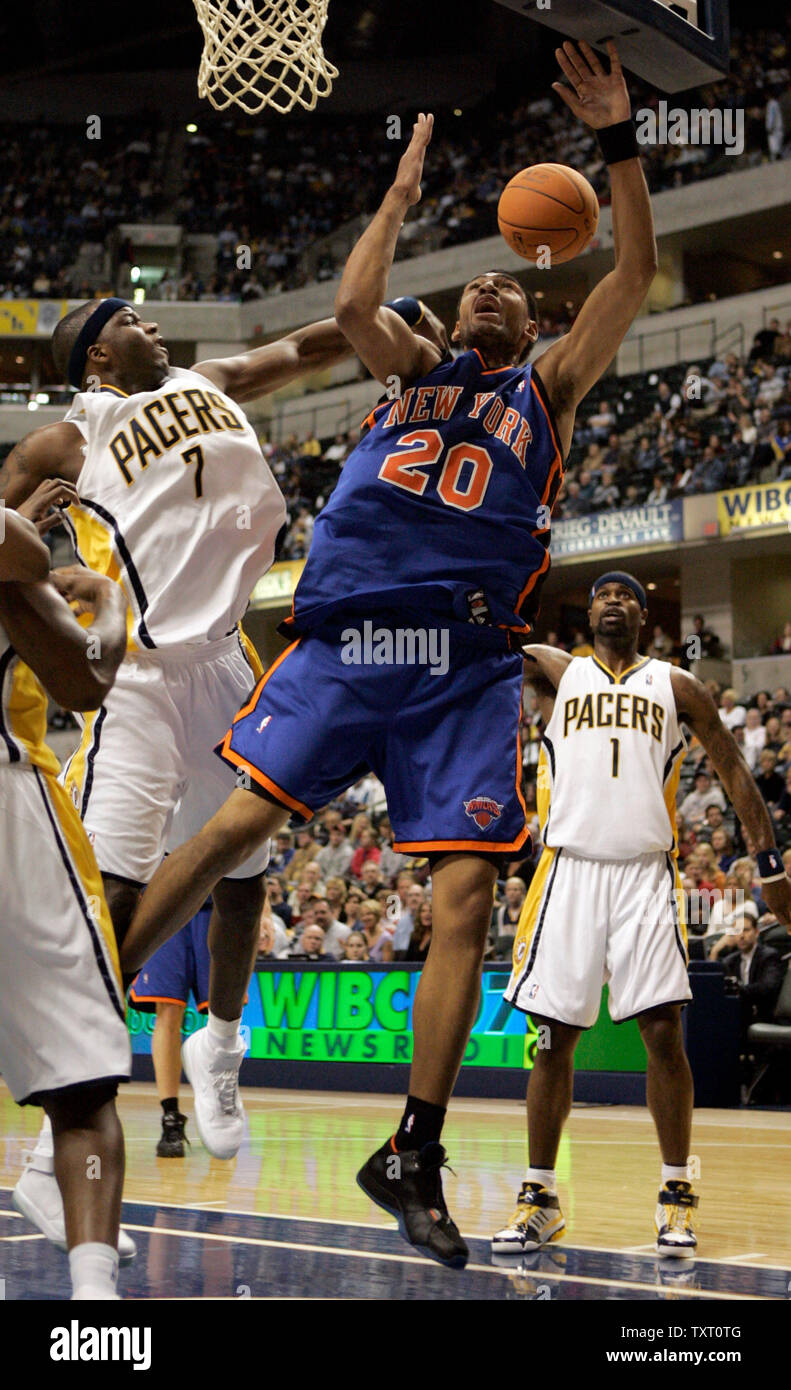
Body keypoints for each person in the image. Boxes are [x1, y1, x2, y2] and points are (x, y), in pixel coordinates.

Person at [121, 41, 662, 1270]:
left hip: (465, 661)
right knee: (228, 837)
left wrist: (620, 141)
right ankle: (93, 1007)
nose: (483, 293)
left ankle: (411, 1148)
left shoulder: (550, 389)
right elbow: (359, 305)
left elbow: (631, 265)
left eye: (505, 291)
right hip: (352, 639)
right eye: (469, 285)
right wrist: (401, 194)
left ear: (534, 317)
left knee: (465, 899)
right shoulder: (405, 369)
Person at [2, 295, 357, 1222]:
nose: (153, 326)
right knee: (117, 891)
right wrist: (18, 523)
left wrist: (397, 323)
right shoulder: (63, 441)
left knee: (246, 868)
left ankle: (222, 1043)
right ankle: (63, 1118)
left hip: (228, 659)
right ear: (95, 360)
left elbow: (309, 342)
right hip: (137, 676)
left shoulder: (209, 382)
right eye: (130, 318)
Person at [492, 571, 791, 1258]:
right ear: (587, 611)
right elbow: (487, 634)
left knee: (662, 1034)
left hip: (643, 872)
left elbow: (732, 770)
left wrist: (767, 860)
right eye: (603, 593)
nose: (615, 601)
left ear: (645, 615)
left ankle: (676, 1196)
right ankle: (538, 1198)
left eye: (627, 594)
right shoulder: (551, 670)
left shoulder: (675, 684)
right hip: (567, 870)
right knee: (550, 1039)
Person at [0, 507, 132, 1298]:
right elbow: (87, 677)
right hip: (10, 808)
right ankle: (92, 1307)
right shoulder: (12, 548)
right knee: (81, 1094)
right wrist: (108, 602)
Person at [128, 901, 213, 1157]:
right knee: (168, 1010)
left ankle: (217, 1105)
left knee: (221, 1011)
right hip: (166, 898)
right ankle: (170, 1117)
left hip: (216, 896)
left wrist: (262, 909)